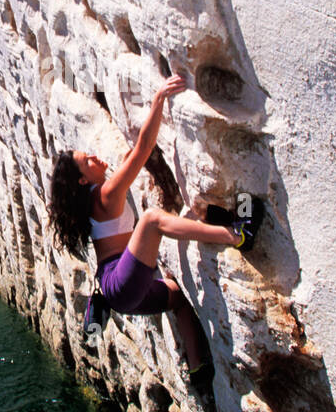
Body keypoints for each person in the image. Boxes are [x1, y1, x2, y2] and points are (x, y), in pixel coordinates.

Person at [48, 74, 263, 385]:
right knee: (152, 220)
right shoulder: (105, 196)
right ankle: (237, 235)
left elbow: (128, 161)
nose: (94, 157)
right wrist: (159, 98)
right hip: (118, 284)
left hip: (121, 294)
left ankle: (197, 370)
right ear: (84, 180)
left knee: (178, 299)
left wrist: (125, 158)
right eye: (87, 161)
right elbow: (144, 149)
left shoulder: (96, 201)